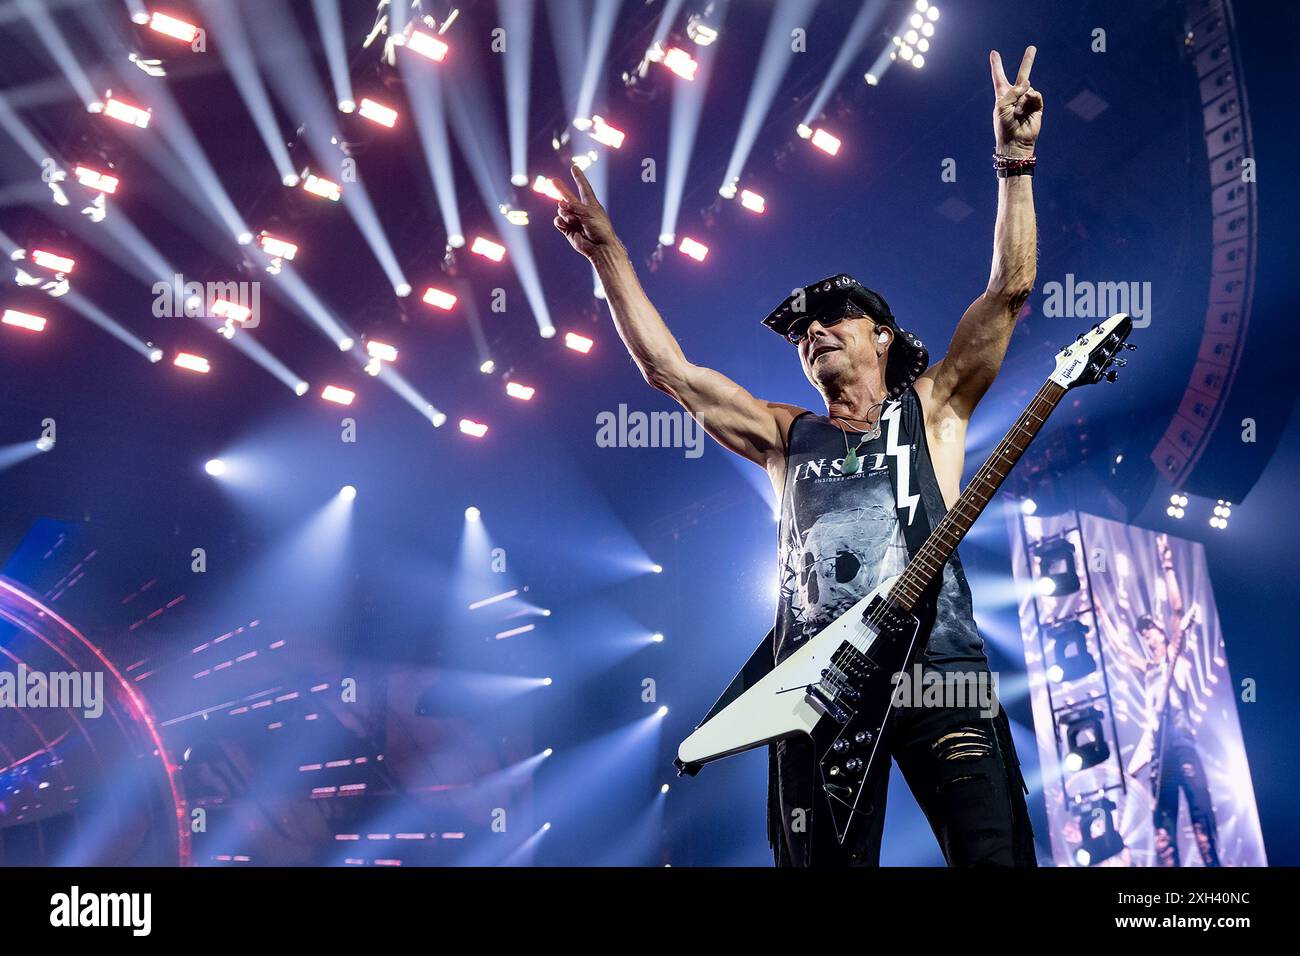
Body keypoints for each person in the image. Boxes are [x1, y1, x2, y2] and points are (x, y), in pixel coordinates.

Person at [551, 46, 1045, 867]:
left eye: (834, 317)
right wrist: (608, 255)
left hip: (939, 672)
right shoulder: (787, 435)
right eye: (800, 331)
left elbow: (1009, 294)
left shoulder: (934, 408)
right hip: (820, 685)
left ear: (884, 336)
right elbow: (669, 372)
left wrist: (1015, 159)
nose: (812, 330)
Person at [1101, 533, 1221, 867]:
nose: (1148, 633)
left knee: (1200, 817)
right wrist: (1101, 612)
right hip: (1159, 753)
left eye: (1151, 628)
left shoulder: (1174, 656)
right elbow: (1121, 649)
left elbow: (1178, 609)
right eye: (1144, 631)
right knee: (1163, 828)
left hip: (1182, 745)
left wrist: (1167, 565)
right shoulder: (1148, 668)